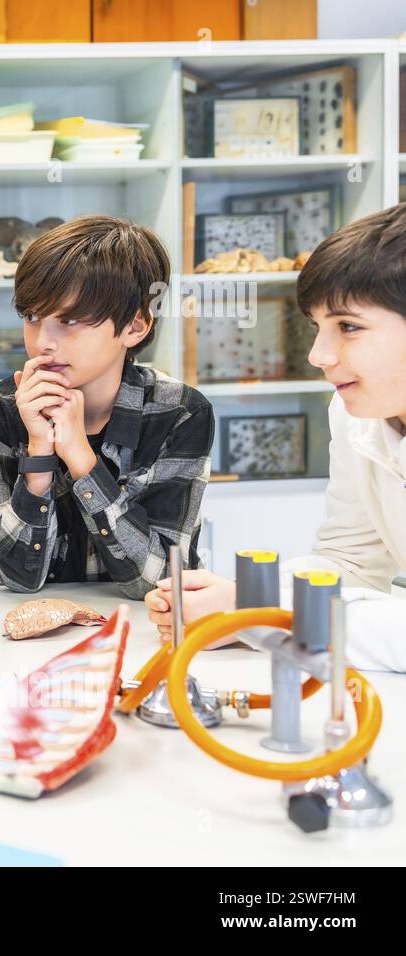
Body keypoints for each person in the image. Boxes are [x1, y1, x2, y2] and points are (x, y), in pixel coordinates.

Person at [145, 203, 406, 671]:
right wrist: (240, 599)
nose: (318, 355)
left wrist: (253, 616)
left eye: (348, 327)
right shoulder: (356, 416)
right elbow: (352, 565)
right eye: (316, 327)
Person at [0, 215, 214, 599]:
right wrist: (39, 458)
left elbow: (165, 580)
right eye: (32, 317)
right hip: (42, 638)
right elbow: (18, 578)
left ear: (135, 327)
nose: (43, 342)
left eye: (69, 320)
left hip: (153, 631)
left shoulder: (179, 412)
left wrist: (82, 460)